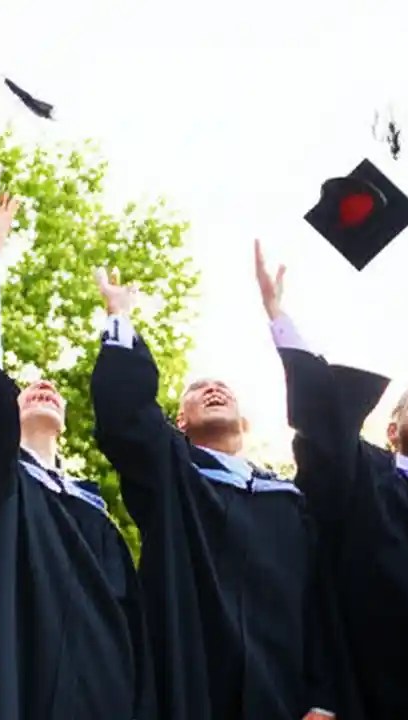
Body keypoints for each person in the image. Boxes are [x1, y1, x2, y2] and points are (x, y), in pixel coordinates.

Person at [0, 167, 153, 719]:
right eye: (26, 389)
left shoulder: (95, 516)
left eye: (53, 391)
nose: (43, 388)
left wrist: (119, 317)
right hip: (16, 686)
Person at [89, 262, 334, 720]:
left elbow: (323, 602)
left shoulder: (292, 501)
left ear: (245, 422)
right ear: (178, 423)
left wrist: (324, 697)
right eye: (198, 388)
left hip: (286, 697)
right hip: (190, 687)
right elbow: (124, 413)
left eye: (223, 387)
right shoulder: (171, 476)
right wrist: (118, 315)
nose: (213, 388)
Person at [263, 239, 408, 718]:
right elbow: (326, 429)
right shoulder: (365, 478)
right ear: (391, 430)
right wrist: (279, 318)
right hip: (371, 695)